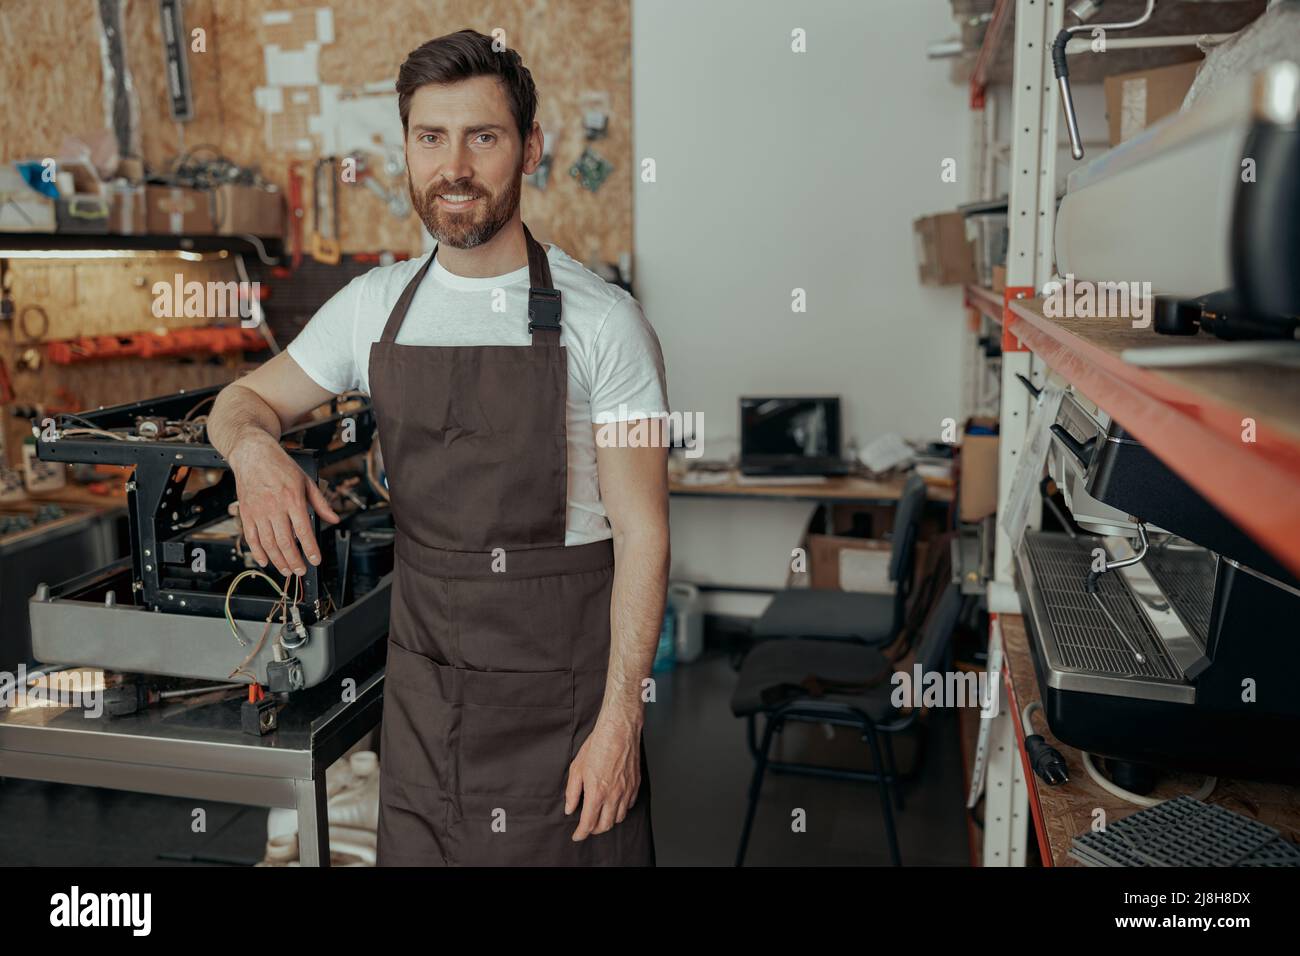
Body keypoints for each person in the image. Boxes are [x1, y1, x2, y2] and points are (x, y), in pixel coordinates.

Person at [206, 28, 668, 866]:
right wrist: (254, 453)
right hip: (425, 708)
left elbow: (644, 534)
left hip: (562, 710)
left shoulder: (607, 324)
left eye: (482, 136)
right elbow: (239, 401)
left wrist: (621, 725)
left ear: (529, 149)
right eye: (431, 138)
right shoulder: (371, 307)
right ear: (408, 150)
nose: (454, 165)